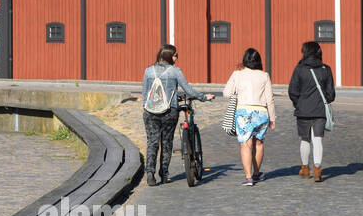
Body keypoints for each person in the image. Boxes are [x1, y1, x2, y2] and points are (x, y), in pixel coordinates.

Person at [140, 44, 213, 186]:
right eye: (175, 55)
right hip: (169, 112)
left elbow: (145, 93)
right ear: (168, 56)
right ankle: (164, 174)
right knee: (166, 142)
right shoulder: (174, 71)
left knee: (152, 142)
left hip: (150, 112)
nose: (177, 57)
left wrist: (147, 106)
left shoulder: (148, 71)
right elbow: (189, 90)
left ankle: (150, 173)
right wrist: (204, 97)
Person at [224, 48, 276, 186]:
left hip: (244, 112)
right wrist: (272, 118)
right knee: (258, 143)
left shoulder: (237, 74)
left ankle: (248, 178)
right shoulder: (264, 75)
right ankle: (256, 173)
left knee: (245, 144)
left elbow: (226, 93)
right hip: (261, 112)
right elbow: (269, 99)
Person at [288, 41, 336, 183]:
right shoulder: (326, 69)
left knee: (305, 140)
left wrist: (299, 103)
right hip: (320, 110)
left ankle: (304, 168)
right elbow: (331, 94)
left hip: (303, 110)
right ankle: (317, 170)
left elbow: (292, 91)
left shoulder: (299, 69)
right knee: (318, 139)